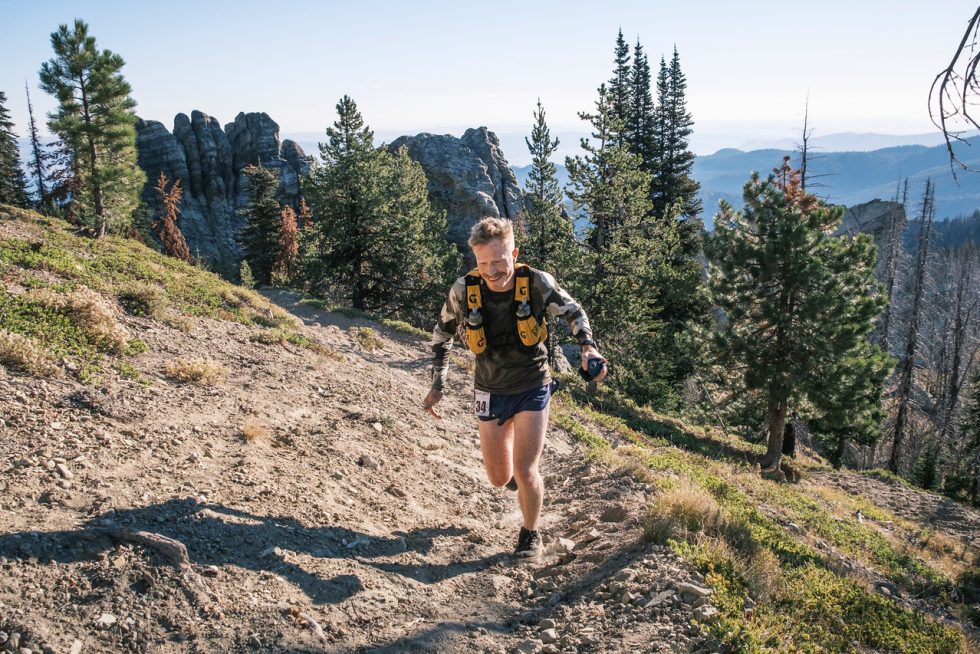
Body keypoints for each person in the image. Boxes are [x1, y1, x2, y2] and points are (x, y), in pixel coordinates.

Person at [422, 217, 606, 559]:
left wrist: (588, 346)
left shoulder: (536, 283)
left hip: (532, 383)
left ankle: (530, 533)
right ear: (475, 261)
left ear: (514, 253)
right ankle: (517, 487)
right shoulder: (464, 290)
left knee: (525, 468)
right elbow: (441, 335)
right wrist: (438, 384)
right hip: (489, 387)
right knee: (498, 477)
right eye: (483, 263)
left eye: (499, 261)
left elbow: (573, 311)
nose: (492, 271)